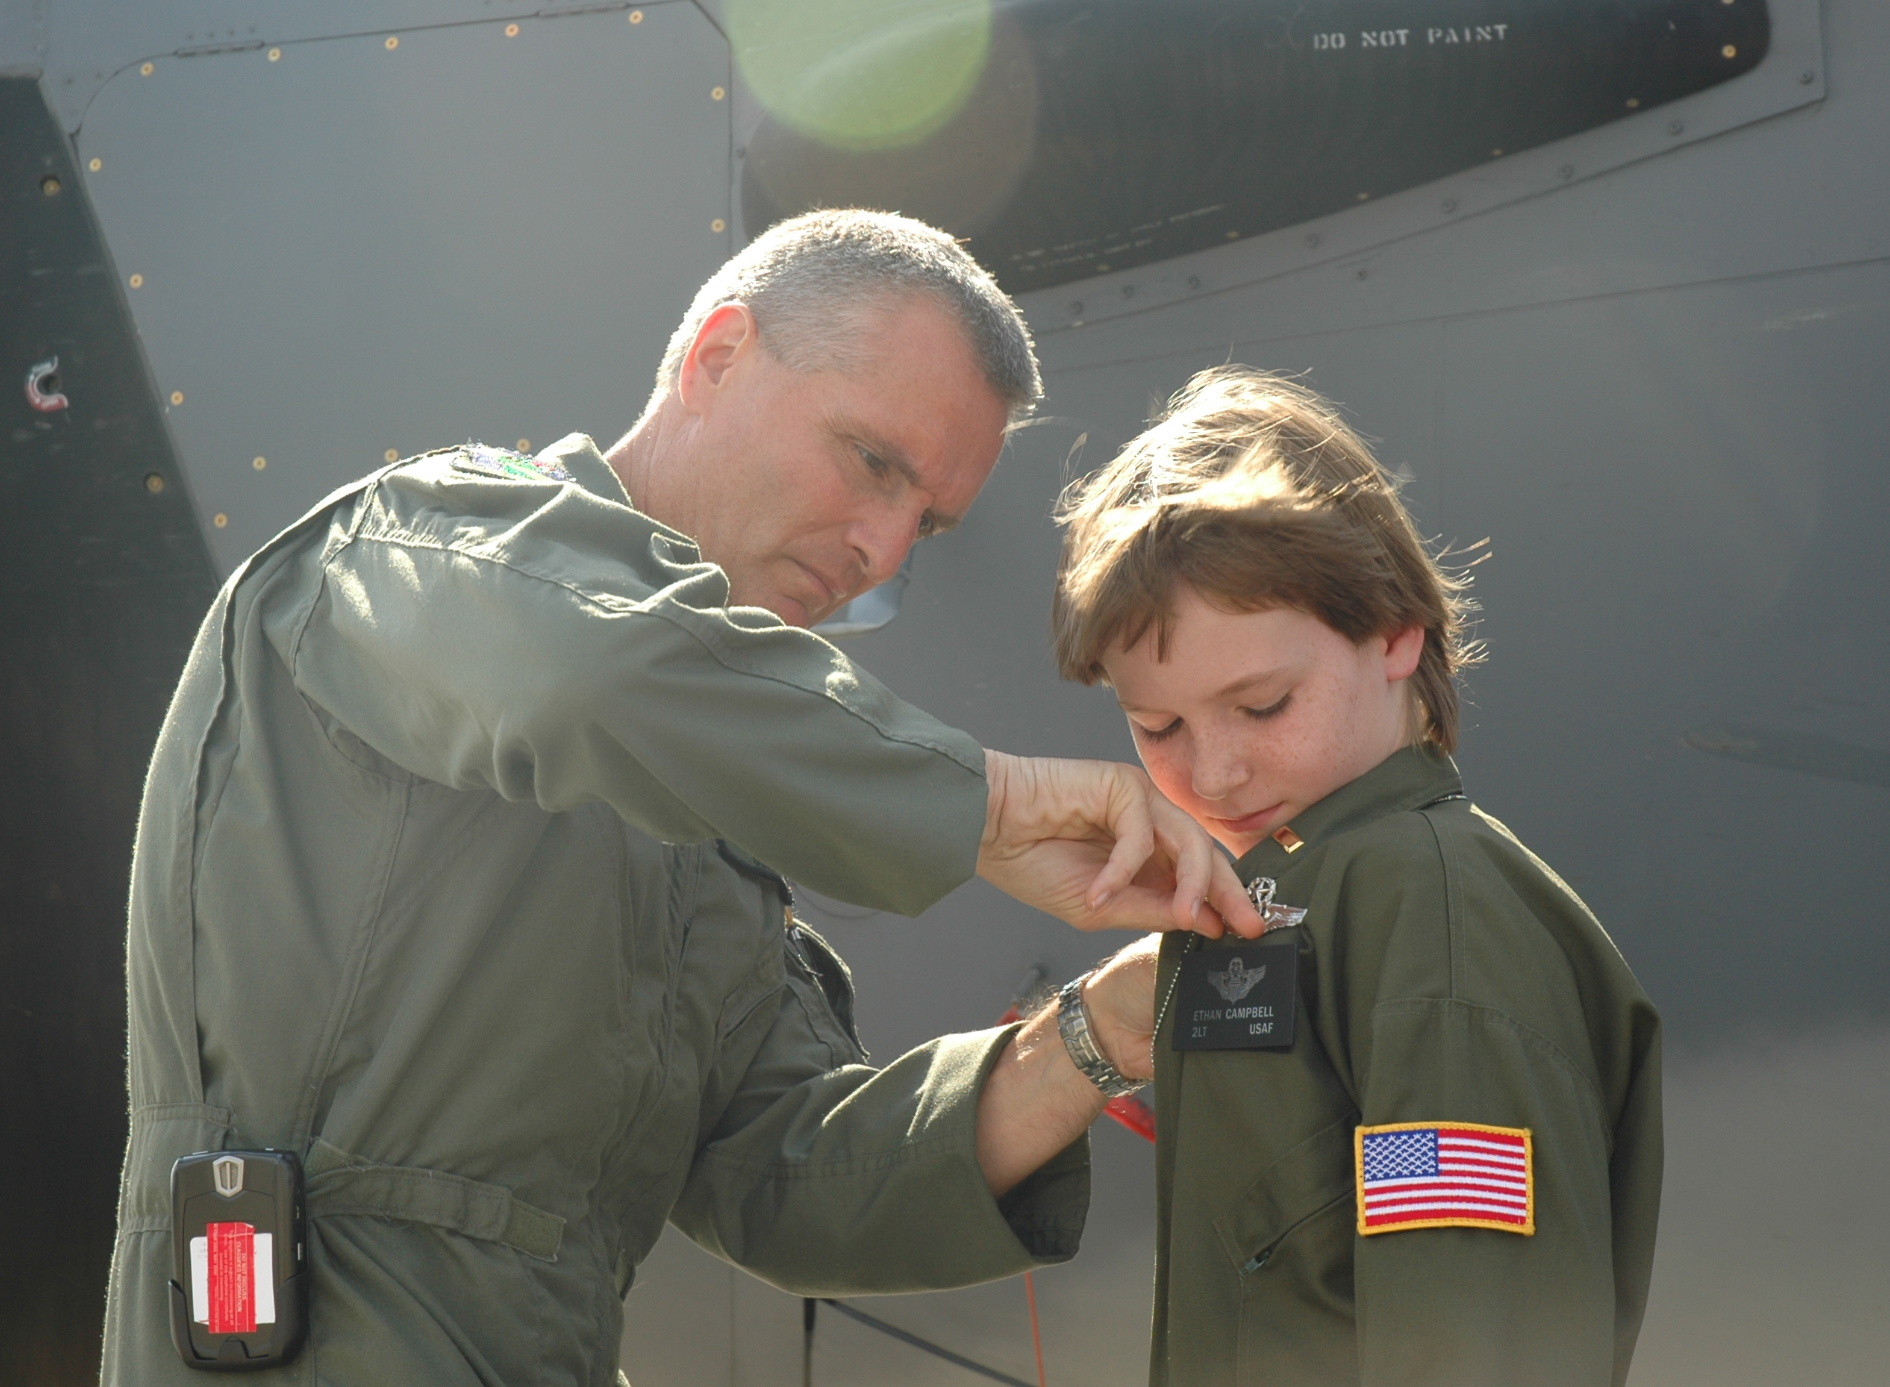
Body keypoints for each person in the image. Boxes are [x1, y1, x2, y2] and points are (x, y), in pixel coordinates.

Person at [100, 210, 1260, 1385]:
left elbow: (789, 1177)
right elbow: (580, 669)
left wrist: (1096, 1034)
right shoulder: (416, 538)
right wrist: (993, 805)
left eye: (927, 522)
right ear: (716, 356)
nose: (882, 550)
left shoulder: (706, 791)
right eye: (871, 463)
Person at [1052, 369, 1664, 1386]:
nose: (1212, 771)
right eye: (1156, 727)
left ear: (1393, 633)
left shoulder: (1429, 909)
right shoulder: (1300, 901)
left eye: (1262, 705)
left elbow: (1468, 1333)